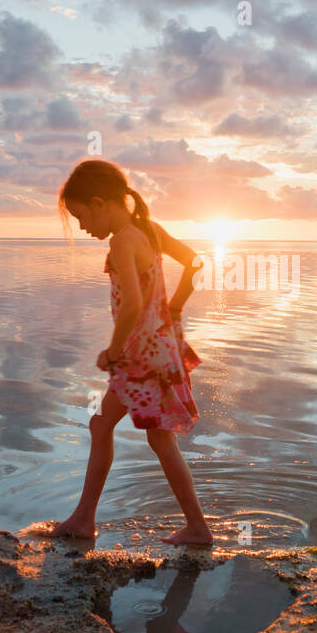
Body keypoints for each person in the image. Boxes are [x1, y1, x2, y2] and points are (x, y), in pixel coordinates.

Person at [44, 158, 212, 546]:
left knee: (118, 429)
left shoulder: (122, 240)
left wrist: (112, 350)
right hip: (159, 349)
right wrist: (175, 307)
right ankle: (89, 518)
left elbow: (133, 305)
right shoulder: (148, 230)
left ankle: (90, 520)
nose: (83, 227)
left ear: (100, 202)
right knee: (122, 431)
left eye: (82, 216)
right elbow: (195, 260)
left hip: (138, 356)